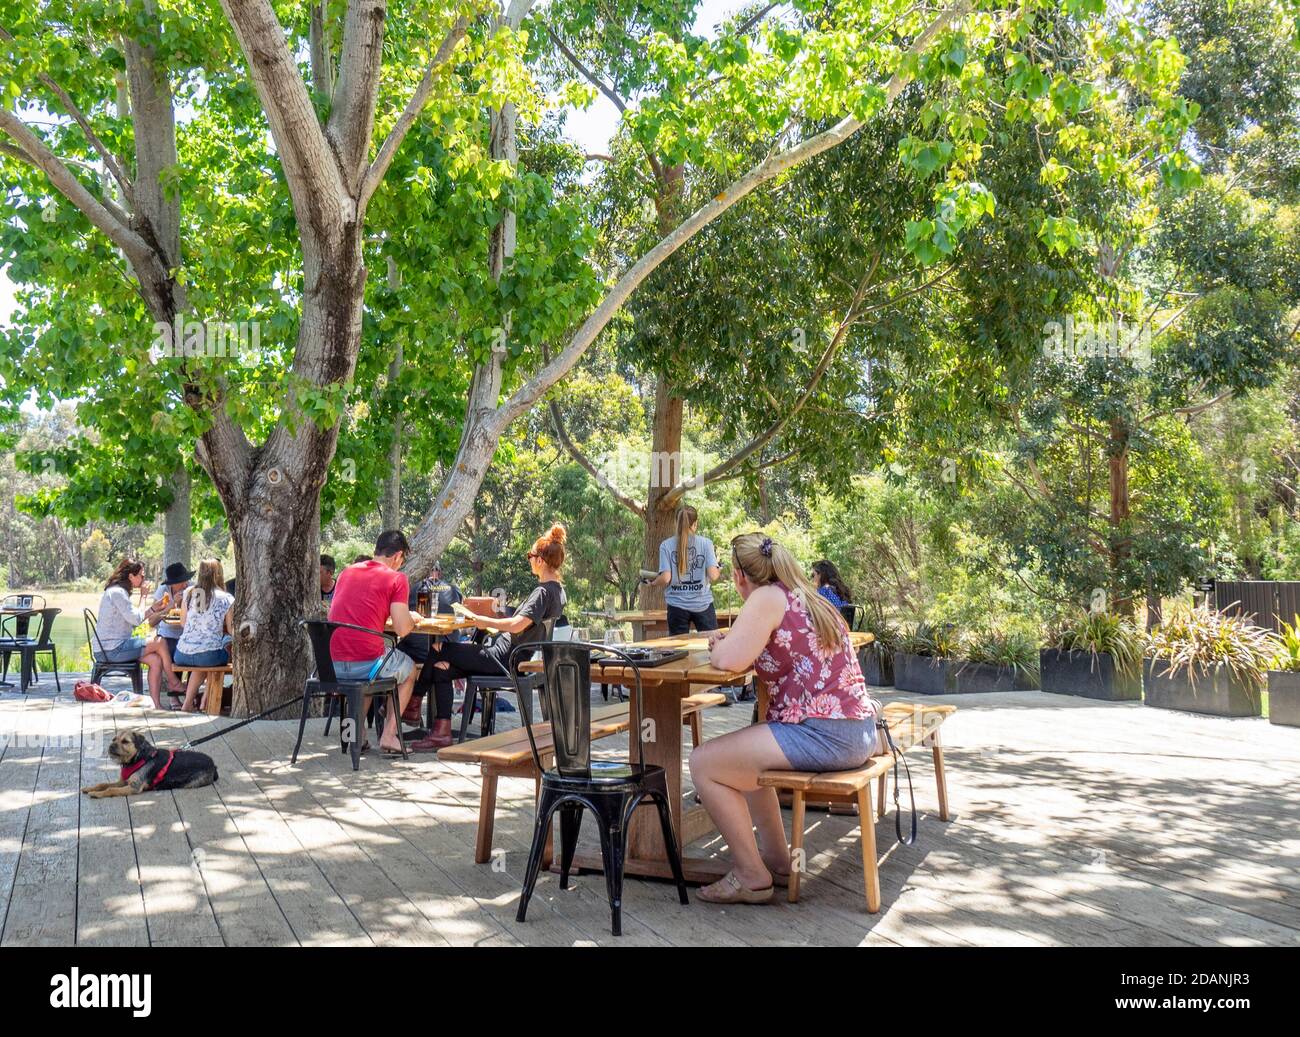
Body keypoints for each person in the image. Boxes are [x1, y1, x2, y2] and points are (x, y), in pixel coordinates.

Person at [688, 532, 879, 905]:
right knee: (744, 756)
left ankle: (751, 875)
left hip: (825, 734)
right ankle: (777, 863)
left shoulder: (765, 597)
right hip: (856, 731)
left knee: (703, 763)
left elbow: (728, 661)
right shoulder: (804, 594)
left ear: (741, 576)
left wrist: (719, 646)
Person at [409, 524, 567, 752]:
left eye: (530, 555)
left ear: (540, 560)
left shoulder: (541, 592)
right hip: (512, 657)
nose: (529, 560)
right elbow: (525, 624)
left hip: (501, 658)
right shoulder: (557, 590)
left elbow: (516, 625)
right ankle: (441, 733)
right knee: (442, 668)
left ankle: (413, 704)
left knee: (438, 648)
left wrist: (485, 622)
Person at [327, 530, 421, 755]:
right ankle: (389, 735)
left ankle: (356, 735)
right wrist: (413, 619)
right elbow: (401, 628)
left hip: (331, 666)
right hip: (365, 665)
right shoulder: (396, 578)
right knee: (408, 671)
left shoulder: (347, 572)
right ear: (398, 556)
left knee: (374, 663)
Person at [93, 559, 183, 707]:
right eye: (141, 575)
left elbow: (134, 620)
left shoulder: (118, 592)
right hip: (111, 649)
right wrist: (144, 597)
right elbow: (136, 620)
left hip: (115, 646)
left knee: (155, 660)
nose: (143, 579)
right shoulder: (117, 593)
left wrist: (154, 608)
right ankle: (173, 682)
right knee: (160, 641)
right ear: (130, 576)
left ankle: (157, 706)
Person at [397, 561, 466, 728]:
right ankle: (437, 725)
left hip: (416, 653)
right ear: (440, 574)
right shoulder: (454, 590)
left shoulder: (411, 589)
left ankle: (397, 707)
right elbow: (461, 620)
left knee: (395, 653)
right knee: (440, 660)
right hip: (446, 650)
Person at [649, 505, 722, 634]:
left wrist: (653, 582)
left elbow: (666, 578)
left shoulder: (666, 545)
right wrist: (719, 567)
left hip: (676, 606)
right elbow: (714, 576)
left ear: (676, 522)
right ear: (695, 523)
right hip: (703, 604)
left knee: (678, 651)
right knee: (712, 645)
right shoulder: (706, 543)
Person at [174, 560, 235, 713]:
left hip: (181, 654)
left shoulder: (190, 592)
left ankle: (188, 704)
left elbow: (183, 623)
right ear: (218, 574)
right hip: (207, 655)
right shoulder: (226, 598)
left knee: (201, 659)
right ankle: (207, 700)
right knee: (221, 647)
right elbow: (232, 629)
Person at [147, 561, 194, 667]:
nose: (185, 584)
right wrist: (171, 606)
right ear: (172, 583)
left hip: (188, 634)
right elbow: (151, 621)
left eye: (186, 580)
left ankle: (190, 683)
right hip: (168, 635)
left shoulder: (192, 588)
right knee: (169, 648)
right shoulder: (163, 591)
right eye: (181, 582)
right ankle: (174, 682)